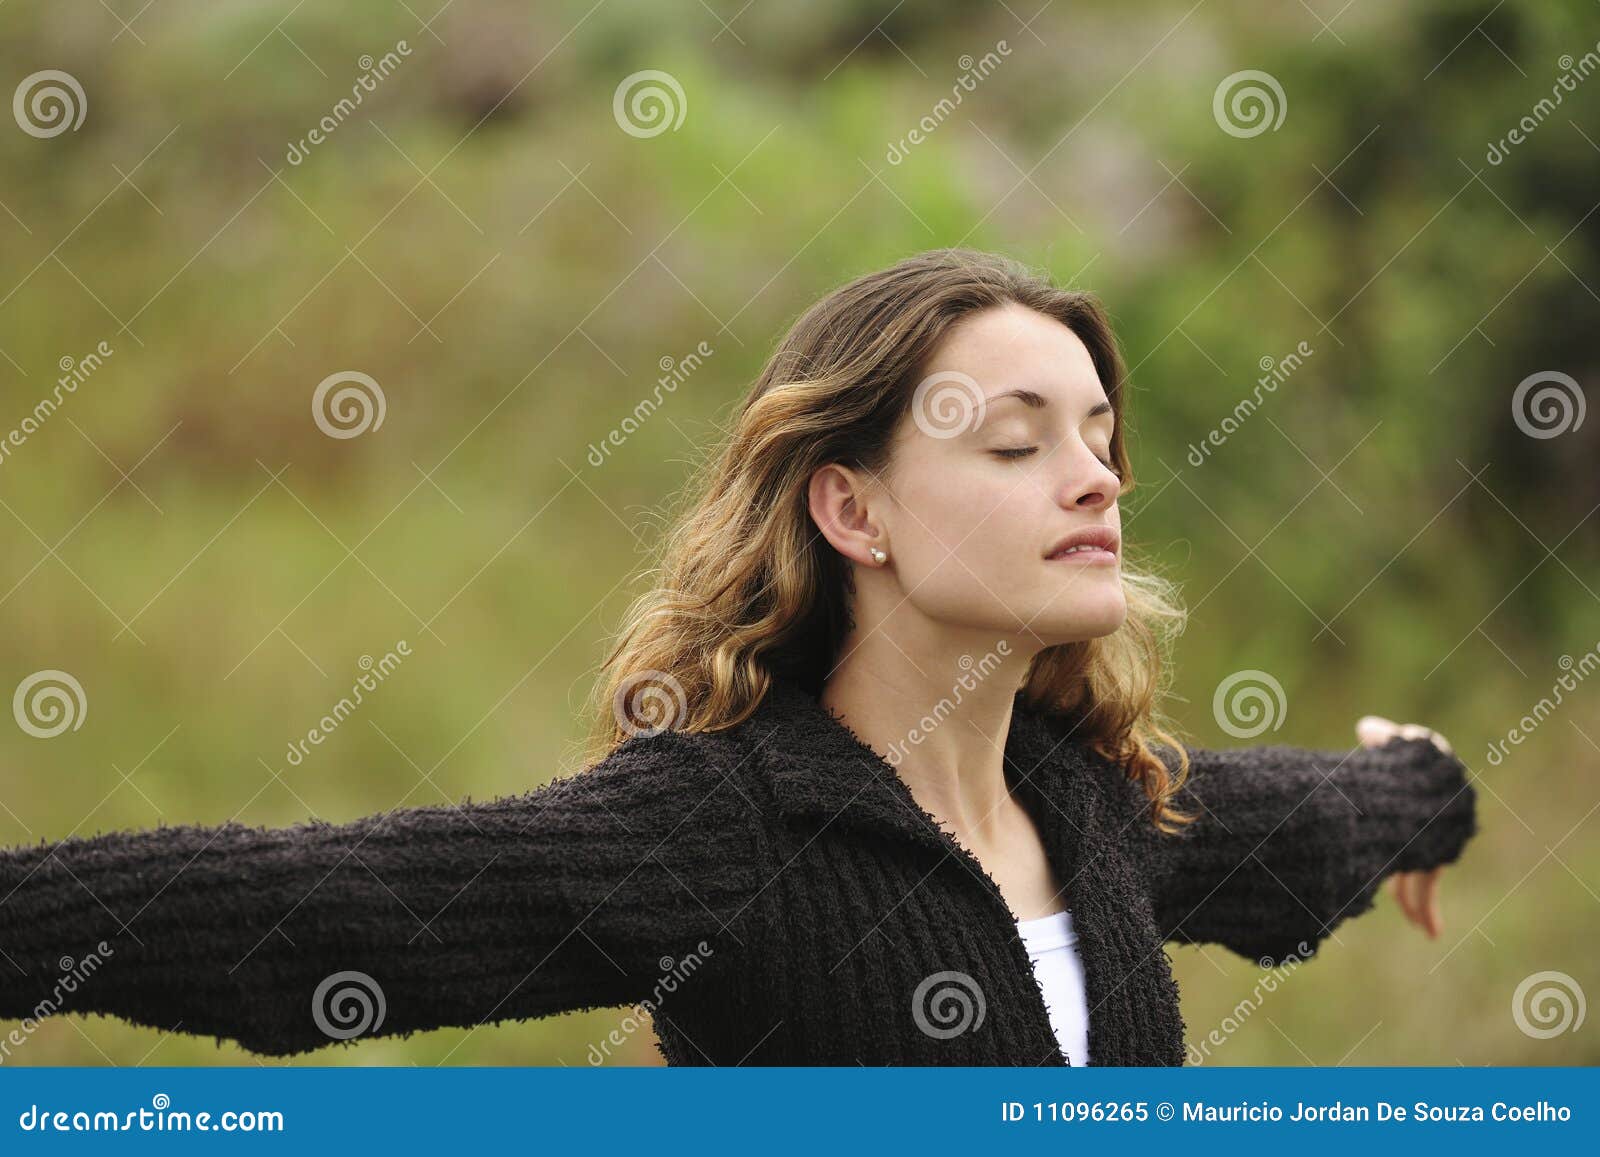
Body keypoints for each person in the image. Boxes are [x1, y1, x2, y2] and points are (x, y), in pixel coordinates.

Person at [0, 248, 1478, 1066]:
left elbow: (1318, 825)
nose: (1096, 478)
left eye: (1100, 439)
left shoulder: (1096, 802)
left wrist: (1424, 791)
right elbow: (315, 914)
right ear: (854, 507)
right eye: (1019, 442)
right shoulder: (719, 830)